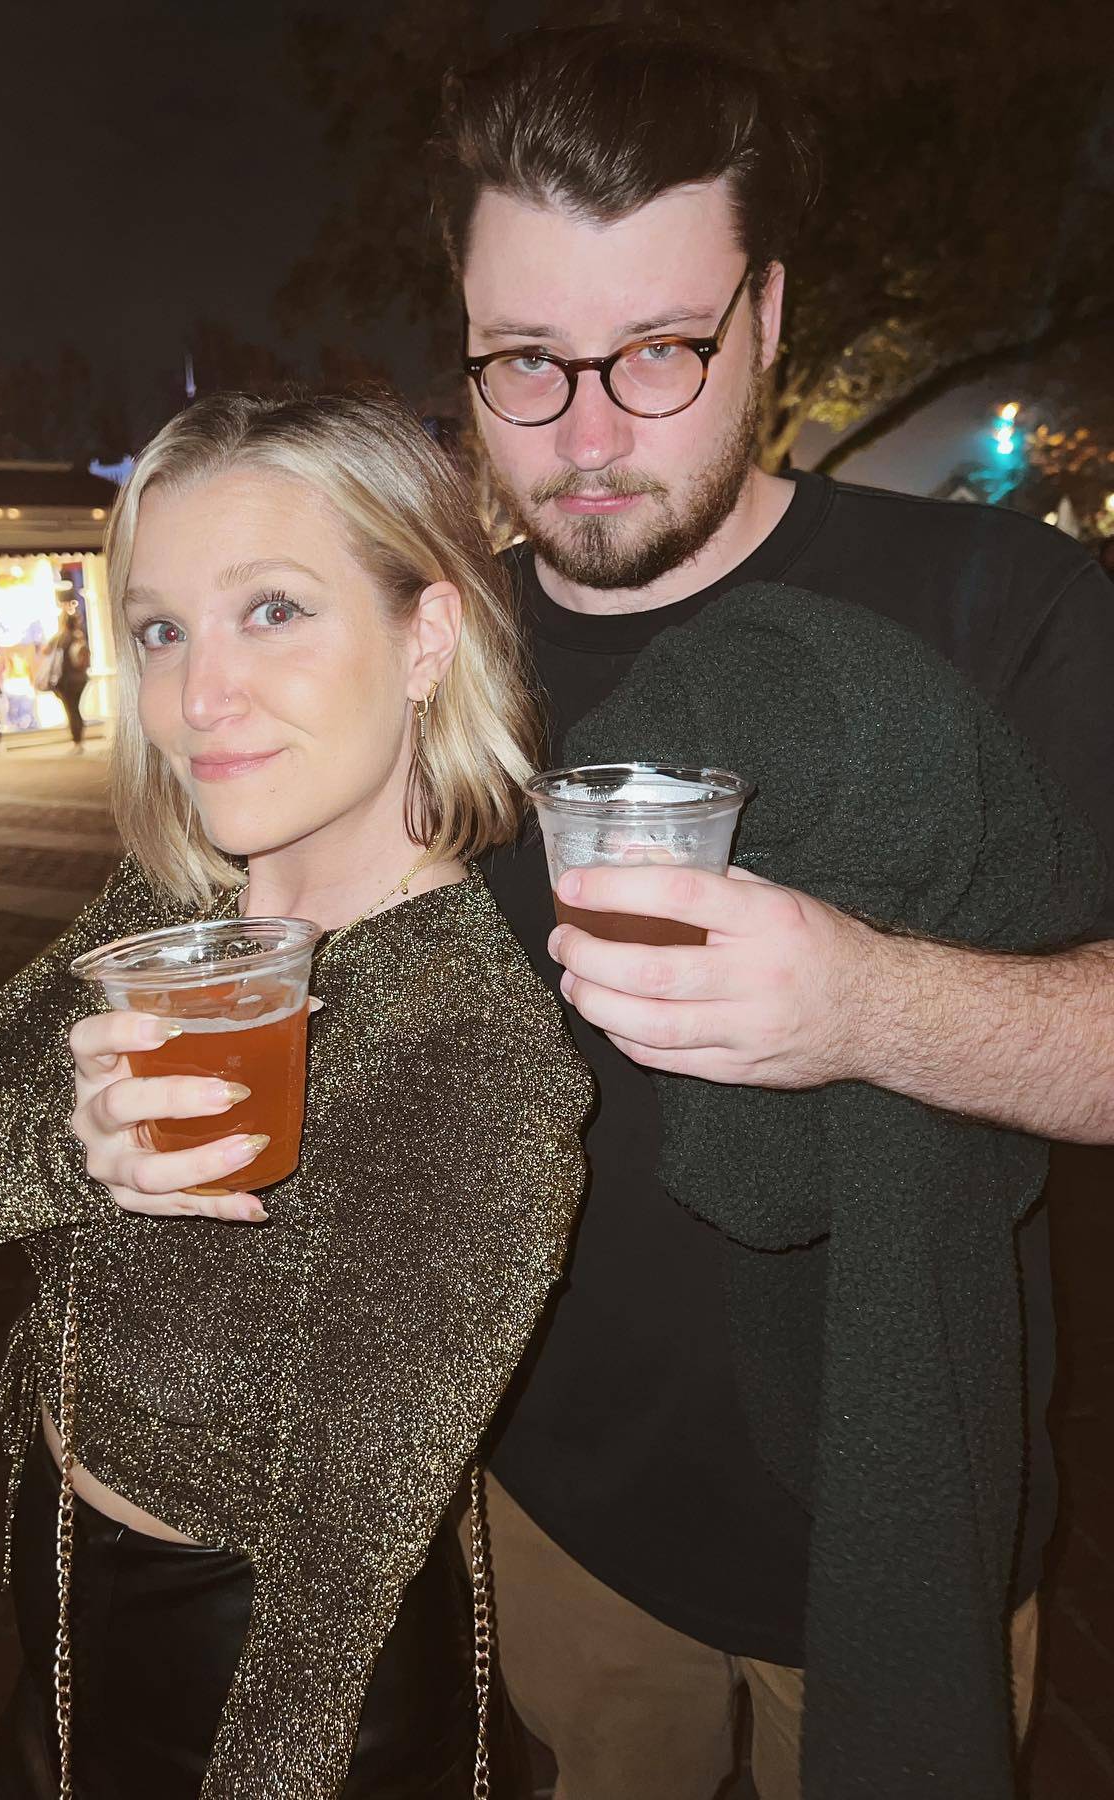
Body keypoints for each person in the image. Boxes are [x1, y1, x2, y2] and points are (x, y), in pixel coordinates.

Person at [429, 26, 1114, 1800]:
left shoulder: (1007, 608)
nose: (587, 435)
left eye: (658, 350)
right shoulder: (436, 664)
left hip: (908, 1511)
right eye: (526, 363)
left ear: (771, 319)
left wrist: (873, 1006)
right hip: (559, 1512)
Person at [0, 390, 593, 1800]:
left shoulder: (475, 1047)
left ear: (426, 638)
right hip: (62, 1610)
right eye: (162, 630)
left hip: (264, 1685)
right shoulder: (175, 913)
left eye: (272, 610)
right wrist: (77, 1145)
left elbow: (333, 1601)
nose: (197, 698)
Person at [42, 598, 92, 751]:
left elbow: (45, 651)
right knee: (76, 708)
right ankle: (79, 740)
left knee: (71, 710)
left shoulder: (60, 638)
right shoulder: (79, 636)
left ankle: (77, 741)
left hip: (66, 681)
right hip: (81, 679)